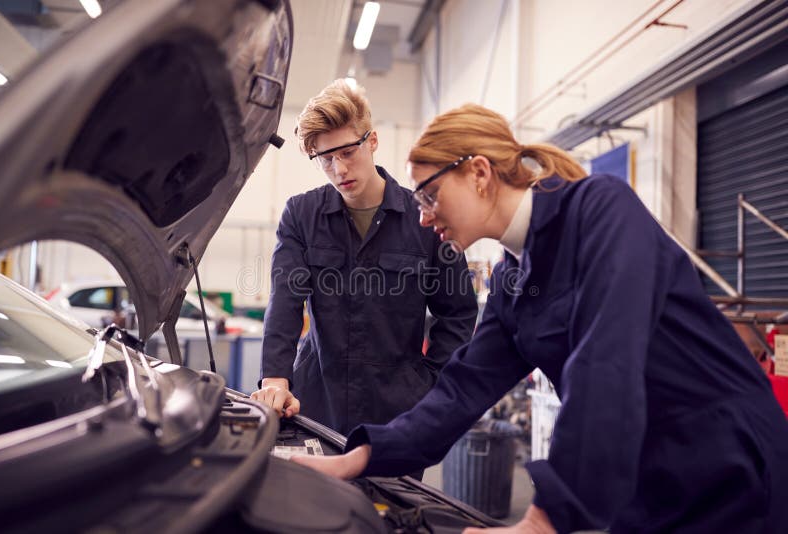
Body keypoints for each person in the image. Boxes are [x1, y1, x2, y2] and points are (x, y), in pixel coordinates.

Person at [292, 103, 788, 533]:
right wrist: (363, 456)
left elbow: (605, 360)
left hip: (731, 462)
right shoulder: (512, 279)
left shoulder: (601, 210)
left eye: (428, 195)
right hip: (653, 475)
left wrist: (543, 519)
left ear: (479, 173)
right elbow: (462, 389)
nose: (422, 216)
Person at [251, 80, 478, 436]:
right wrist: (276, 379)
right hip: (315, 407)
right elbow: (285, 302)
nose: (339, 169)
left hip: (399, 414)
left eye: (347, 152)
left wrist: (431, 386)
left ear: (371, 141)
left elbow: (458, 313)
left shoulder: (424, 218)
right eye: (326, 159)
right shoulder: (301, 215)